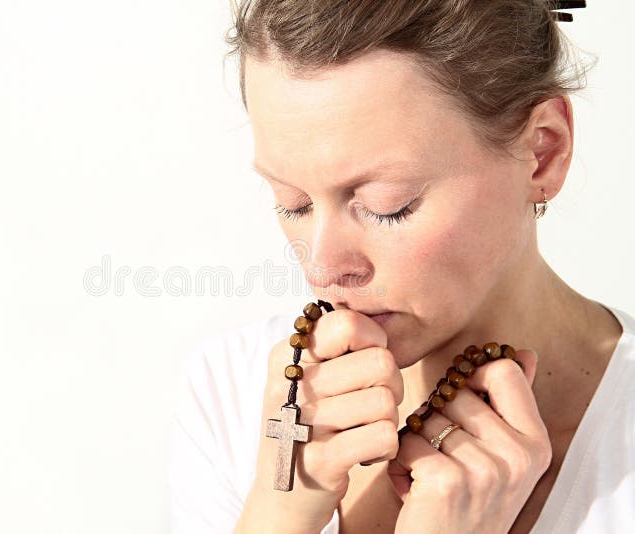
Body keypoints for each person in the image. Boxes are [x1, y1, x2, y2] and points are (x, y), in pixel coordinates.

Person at [170, 1, 635, 532]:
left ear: (543, 151)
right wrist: (279, 510)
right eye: (292, 202)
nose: (322, 267)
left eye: (386, 205)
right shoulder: (233, 390)